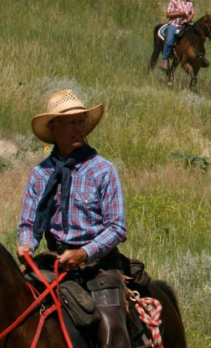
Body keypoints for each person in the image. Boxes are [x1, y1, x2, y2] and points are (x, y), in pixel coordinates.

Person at [17, 90, 131, 348]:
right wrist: (26, 244)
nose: (79, 128)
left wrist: (83, 253)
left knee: (112, 329)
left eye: (81, 121)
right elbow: (28, 225)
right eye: (71, 122)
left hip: (99, 265)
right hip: (54, 263)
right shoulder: (39, 174)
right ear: (54, 128)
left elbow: (117, 227)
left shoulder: (103, 170)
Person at [159, 0, 194, 71]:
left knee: (197, 35)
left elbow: (192, 13)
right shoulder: (174, 0)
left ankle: (200, 56)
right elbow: (168, 14)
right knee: (169, 41)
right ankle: (165, 60)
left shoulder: (188, 1)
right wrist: (179, 13)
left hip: (186, 24)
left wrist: (188, 19)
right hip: (174, 24)